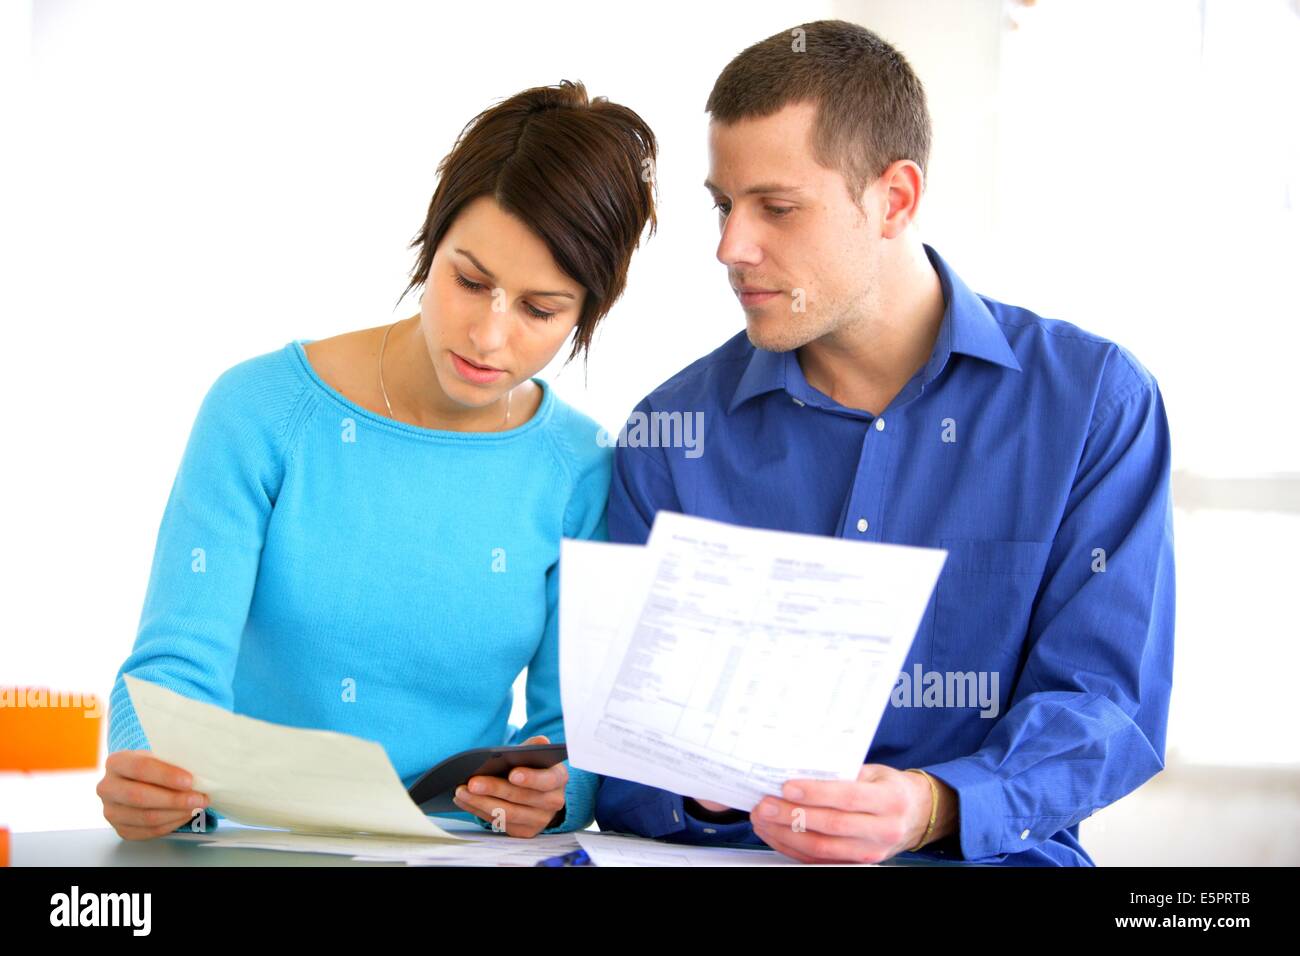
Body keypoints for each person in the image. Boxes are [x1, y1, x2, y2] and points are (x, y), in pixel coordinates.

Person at [593, 20, 1174, 866]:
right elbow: (618, 765)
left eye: (776, 208)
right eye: (723, 204)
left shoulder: (1094, 405)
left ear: (894, 198)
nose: (730, 248)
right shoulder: (667, 437)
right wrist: (691, 786)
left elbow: (1107, 707)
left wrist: (936, 806)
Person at [98, 79, 657, 840]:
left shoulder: (580, 468)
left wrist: (557, 795)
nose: (490, 336)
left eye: (539, 309)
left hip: (457, 852)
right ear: (432, 244)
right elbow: (169, 675)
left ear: (588, 311)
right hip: (254, 843)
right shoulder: (260, 411)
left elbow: (578, 741)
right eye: (470, 280)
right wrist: (148, 770)